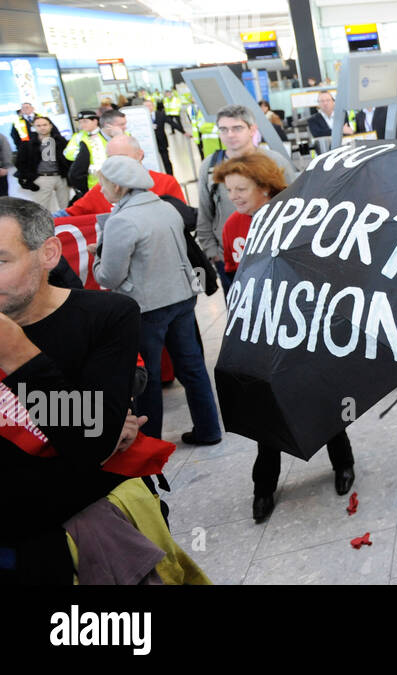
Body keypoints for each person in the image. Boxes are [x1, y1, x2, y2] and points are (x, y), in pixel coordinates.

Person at [0, 198, 145, 583]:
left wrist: (20, 358)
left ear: (48, 254)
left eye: (1, 262)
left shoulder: (107, 316)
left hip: (69, 538)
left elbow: (89, 439)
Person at [212, 152, 354, 521]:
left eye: (241, 189)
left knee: (322, 400)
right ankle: (264, 487)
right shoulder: (232, 227)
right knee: (267, 408)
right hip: (261, 329)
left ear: (264, 186)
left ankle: (343, 463)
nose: (235, 197)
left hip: (305, 327)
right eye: (229, 190)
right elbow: (232, 276)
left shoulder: (296, 218)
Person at [93, 155, 222, 448]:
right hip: (182, 297)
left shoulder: (121, 221)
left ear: (117, 185)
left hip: (146, 308)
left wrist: (98, 256)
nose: (100, 190)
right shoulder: (166, 208)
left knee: (146, 377)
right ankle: (209, 429)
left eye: (102, 183)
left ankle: (149, 441)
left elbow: (109, 277)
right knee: (192, 367)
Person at [196, 105, 298, 293]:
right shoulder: (210, 166)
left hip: (274, 255)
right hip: (231, 258)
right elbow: (204, 212)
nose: (230, 135)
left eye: (237, 128)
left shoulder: (275, 162)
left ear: (252, 129)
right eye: (223, 129)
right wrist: (213, 254)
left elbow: (297, 206)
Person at [60, 133, 186, 217]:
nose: (117, 162)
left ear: (140, 155)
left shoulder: (165, 183)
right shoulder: (101, 190)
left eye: (122, 156)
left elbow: (183, 218)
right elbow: (68, 215)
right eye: (111, 158)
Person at [13, 116, 71, 213]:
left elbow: (69, 158)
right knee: (41, 209)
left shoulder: (60, 141)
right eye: (38, 125)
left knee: (66, 207)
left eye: (45, 125)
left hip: (61, 177)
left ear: (50, 126)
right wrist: (30, 179)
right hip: (41, 178)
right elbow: (21, 164)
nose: (42, 127)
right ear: (34, 127)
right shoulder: (28, 145)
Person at [63, 109, 114, 201]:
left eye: (85, 121)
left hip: (111, 177)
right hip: (91, 180)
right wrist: (83, 156)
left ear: (95, 121)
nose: (82, 125)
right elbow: (68, 153)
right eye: (80, 122)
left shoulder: (106, 133)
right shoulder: (78, 136)